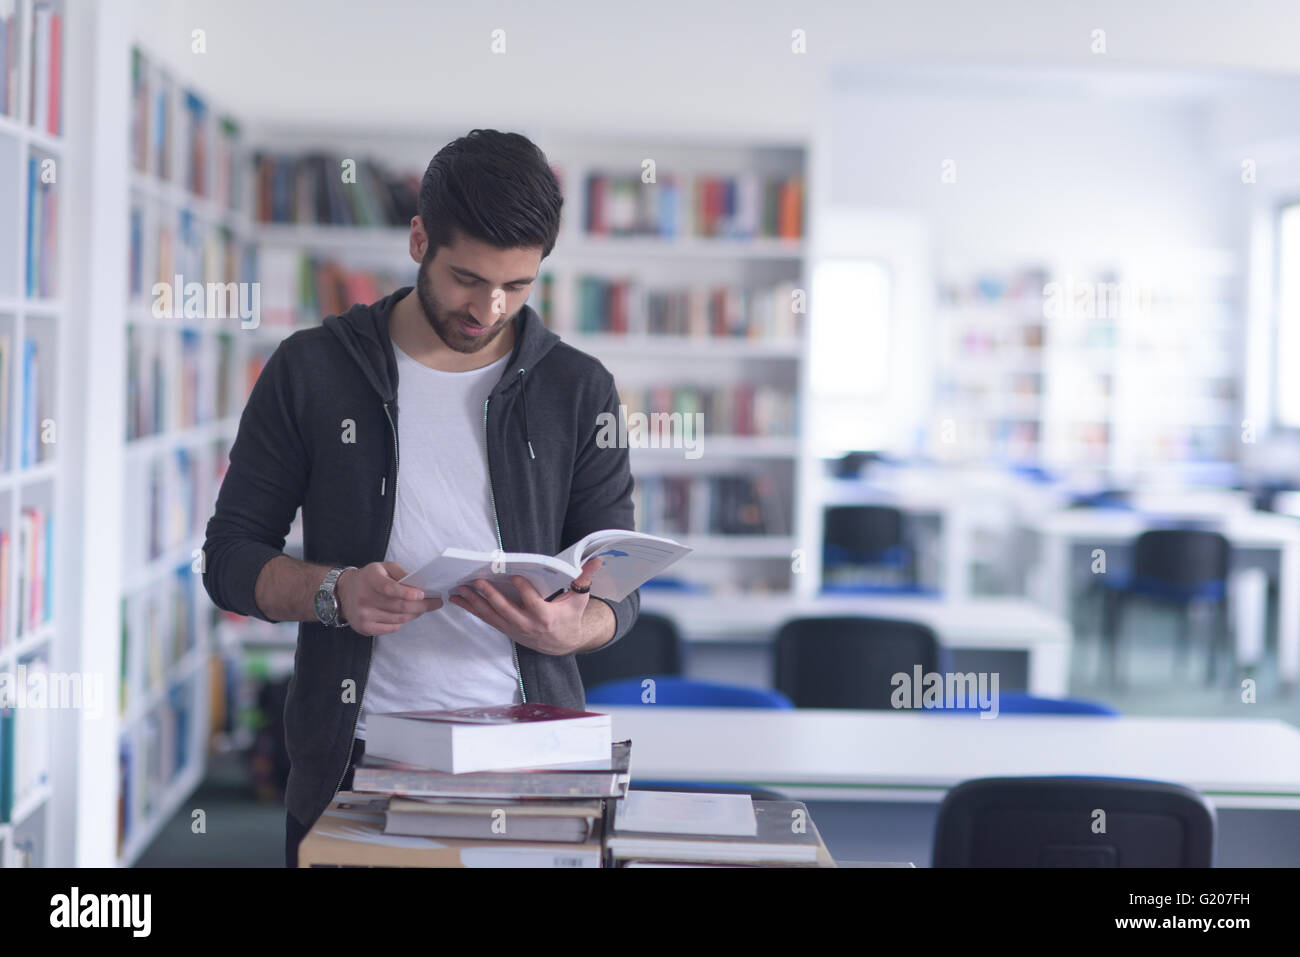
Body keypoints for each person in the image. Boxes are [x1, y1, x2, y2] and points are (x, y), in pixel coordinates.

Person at [200, 129, 641, 867]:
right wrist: (332, 591)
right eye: (468, 278)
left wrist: (576, 627)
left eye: (518, 285)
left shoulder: (579, 388)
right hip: (356, 758)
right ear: (418, 240)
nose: (490, 307)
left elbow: (620, 582)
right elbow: (229, 559)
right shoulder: (310, 370)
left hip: (534, 758)